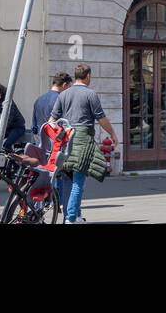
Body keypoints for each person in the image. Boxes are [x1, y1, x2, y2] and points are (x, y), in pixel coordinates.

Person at [49, 64, 119, 223]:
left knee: (67, 179)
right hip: (83, 140)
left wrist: (59, 134)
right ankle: (72, 218)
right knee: (78, 181)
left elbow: (51, 121)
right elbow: (101, 119)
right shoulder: (90, 94)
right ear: (87, 76)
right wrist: (113, 134)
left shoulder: (64, 94)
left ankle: (70, 216)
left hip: (66, 141)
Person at [32, 72, 71, 149]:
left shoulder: (38, 100)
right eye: (68, 87)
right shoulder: (61, 100)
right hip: (55, 146)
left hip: (40, 145)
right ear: (64, 85)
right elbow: (65, 124)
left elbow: (34, 128)